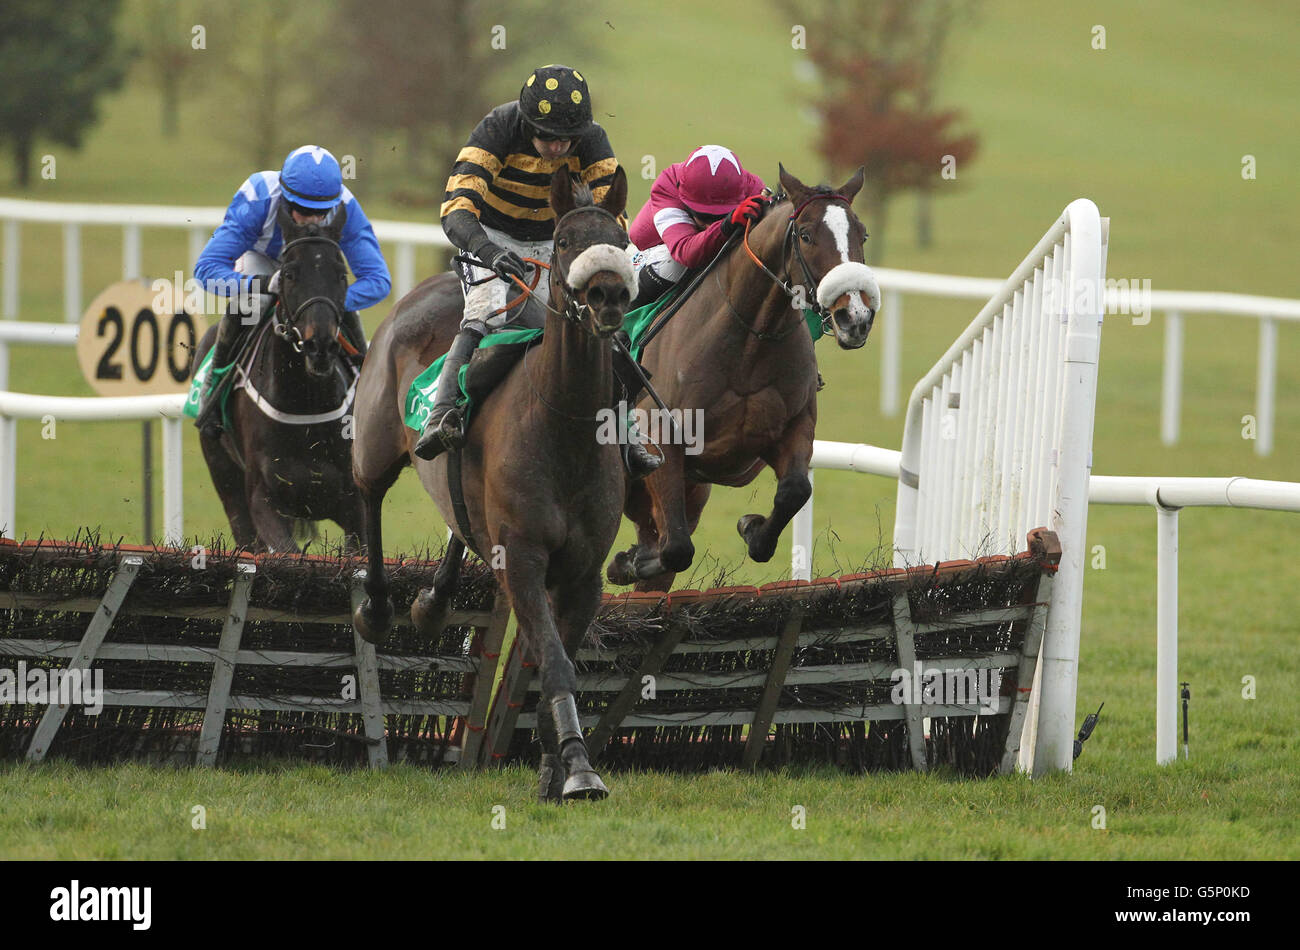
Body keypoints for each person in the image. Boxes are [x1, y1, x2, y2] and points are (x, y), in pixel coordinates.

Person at [414, 64, 660, 478]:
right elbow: (456, 210)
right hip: (490, 235)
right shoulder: (497, 128)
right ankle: (443, 413)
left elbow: (610, 213)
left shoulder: (592, 139)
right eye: (547, 136)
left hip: (555, 241)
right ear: (527, 123)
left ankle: (626, 432)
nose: (557, 147)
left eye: (566, 139)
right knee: (486, 312)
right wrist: (488, 252)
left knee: (593, 324)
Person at [192, 144, 391, 430]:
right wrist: (260, 285)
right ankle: (213, 391)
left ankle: (369, 394)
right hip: (262, 261)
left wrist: (329, 301)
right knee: (251, 305)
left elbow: (378, 280)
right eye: (301, 210)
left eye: (320, 213)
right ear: (285, 198)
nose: (311, 220)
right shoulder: (258, 197)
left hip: (313, 273)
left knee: (344, 313)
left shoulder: (345, 206)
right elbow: (207, 269)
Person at [627, 144, 769, 309]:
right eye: (704, 216)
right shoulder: (667, 187)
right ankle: (624, 325)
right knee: (672, 264)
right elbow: (687, 253)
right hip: (652, 253)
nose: (710, 225)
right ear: (683, 197)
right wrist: (726, 224)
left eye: (721, 215)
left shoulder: (754, 189)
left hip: (700, 247)